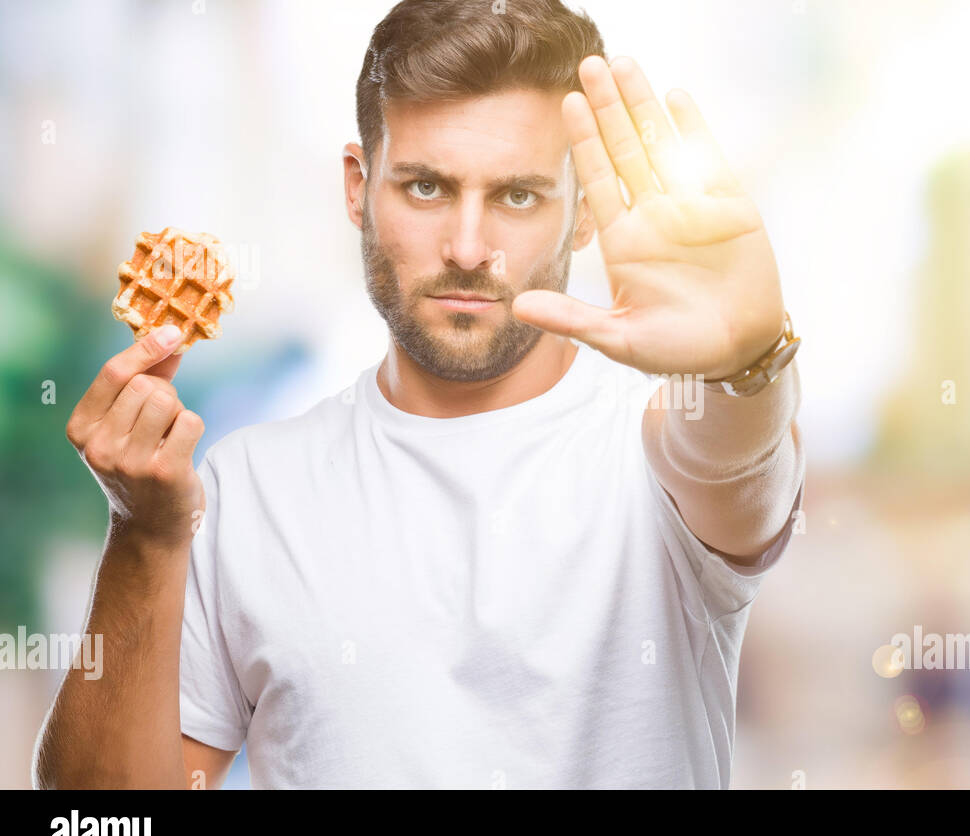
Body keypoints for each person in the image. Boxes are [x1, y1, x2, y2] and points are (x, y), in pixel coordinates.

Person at [34, 0, 804, 789]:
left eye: (517, 197)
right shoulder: (245, 491)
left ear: (581, 214)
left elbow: (741, 468)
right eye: (428, 187)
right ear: (358, 189)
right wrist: (141, 537)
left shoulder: (658, 453)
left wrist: (746, 365)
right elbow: (102, 833)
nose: (468, 249)